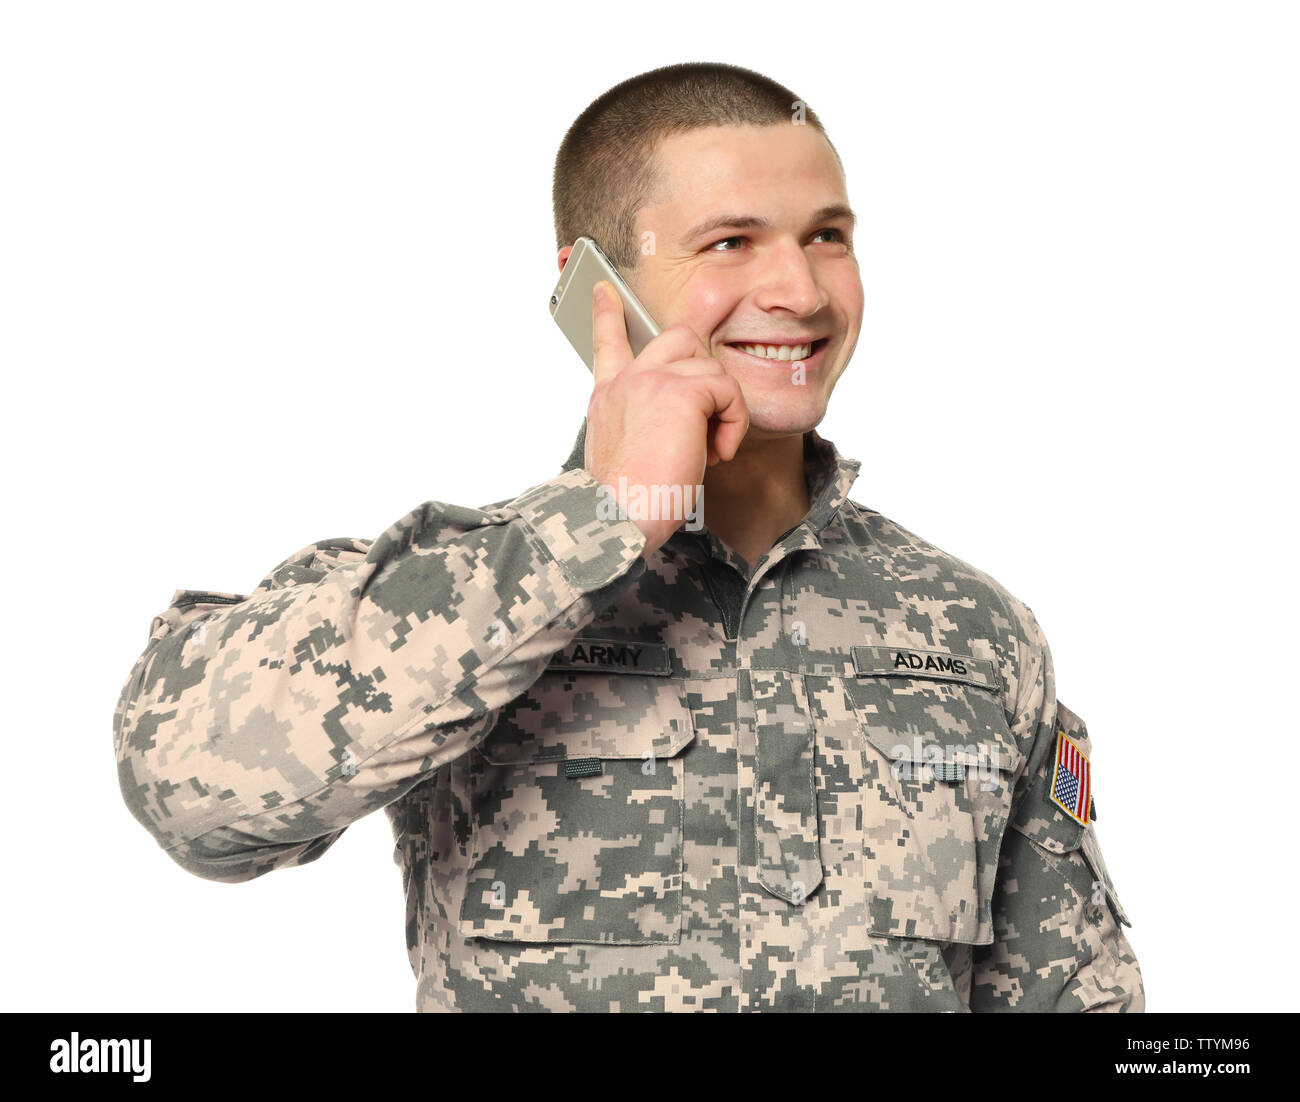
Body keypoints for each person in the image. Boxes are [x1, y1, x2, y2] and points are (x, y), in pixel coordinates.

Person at [113, 61, 1144, 1012]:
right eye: (730, 241)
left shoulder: (972, 630)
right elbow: (192, 793)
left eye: (827, 234)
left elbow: (1078, 999)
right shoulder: (453, 598)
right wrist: (597, 523)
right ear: (595, 290)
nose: (801, 289)